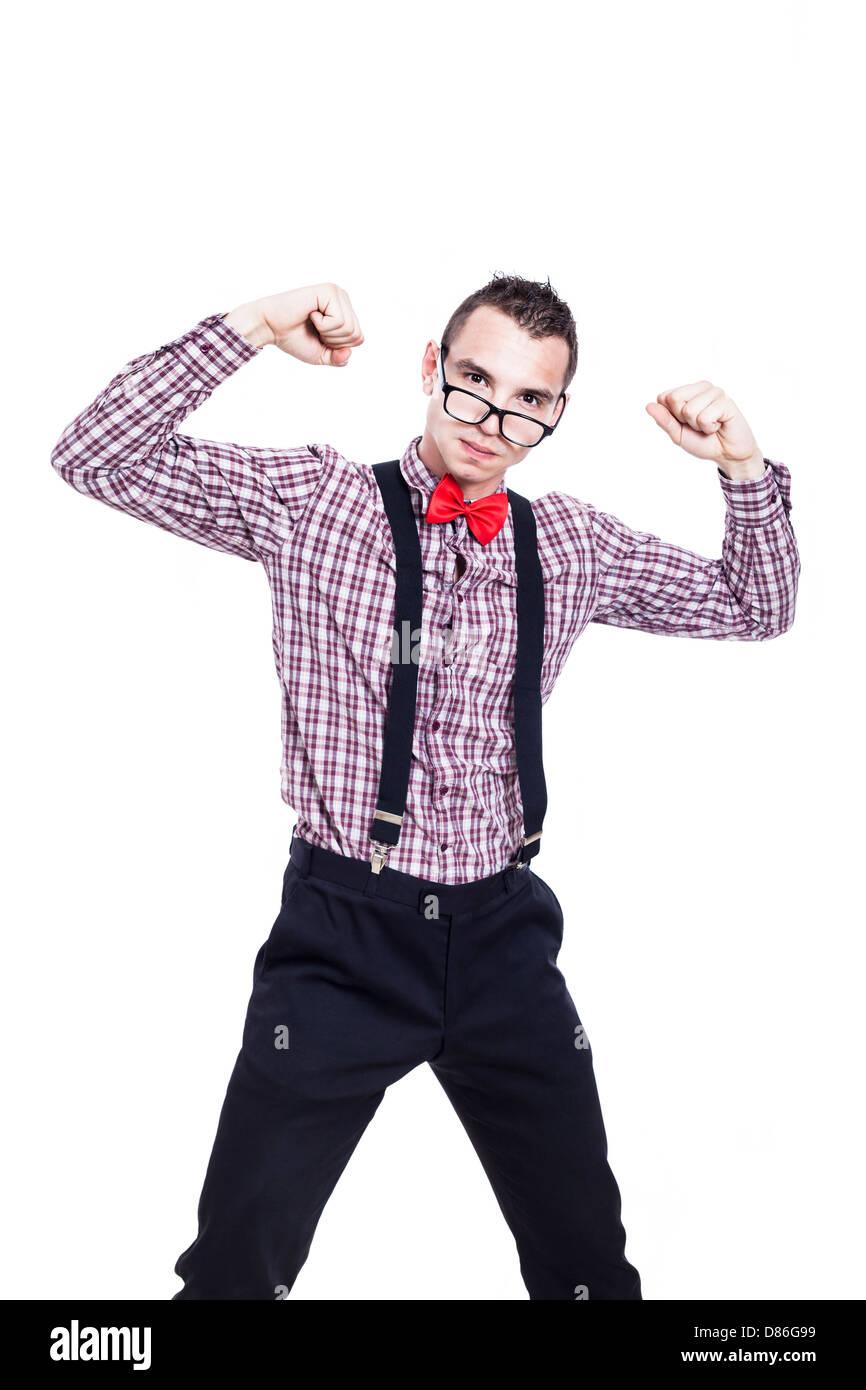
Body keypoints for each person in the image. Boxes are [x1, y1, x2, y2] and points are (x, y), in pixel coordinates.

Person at [50, 274, 801, 1300]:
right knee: (232, 1270)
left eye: (527, 401)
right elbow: (95, 455)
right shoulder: (314, 503)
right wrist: (254, 329)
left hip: (503, 940)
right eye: (472, 383)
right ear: (429, 371)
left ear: (555, 414)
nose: (492, 421)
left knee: (586, 1269)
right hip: (341, 936)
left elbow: (751, 604)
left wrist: (744, 470)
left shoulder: (567, 544)